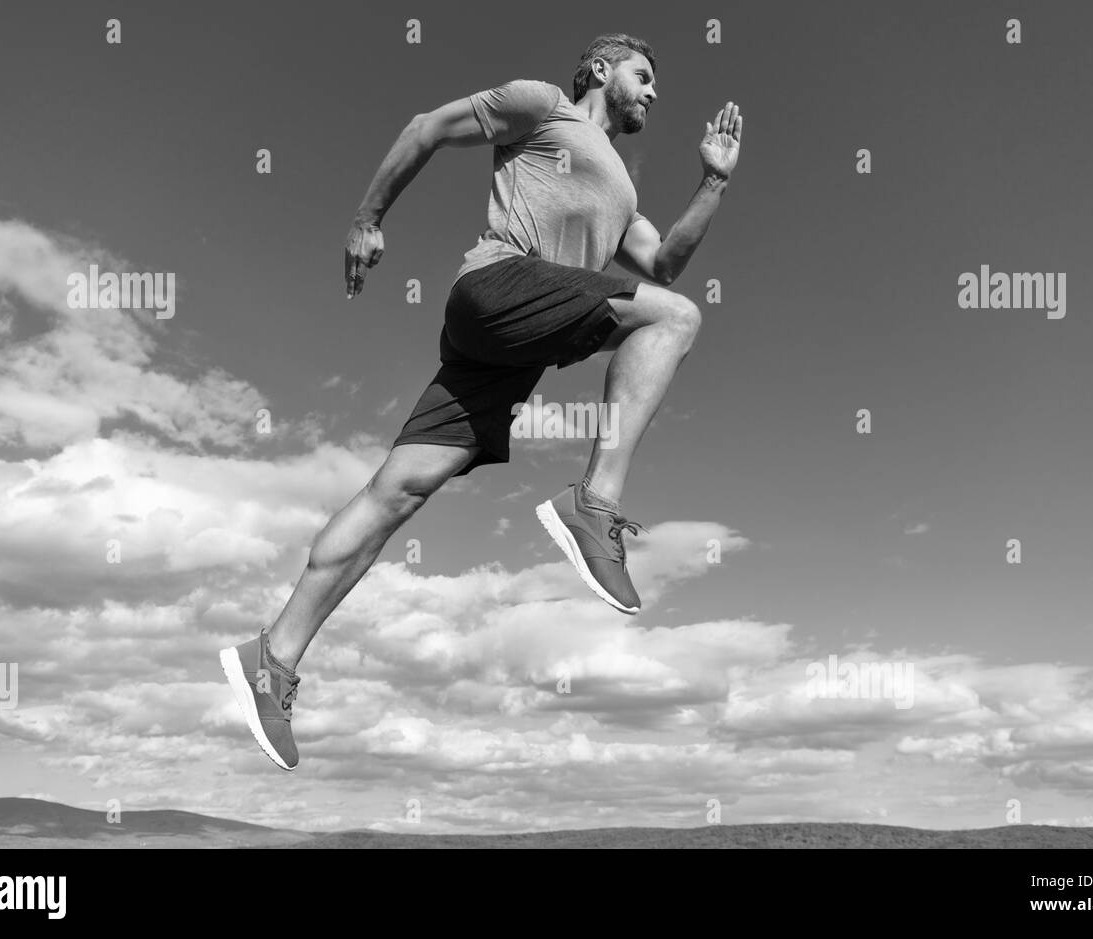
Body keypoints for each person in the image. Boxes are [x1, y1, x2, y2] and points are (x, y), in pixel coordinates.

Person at [221, 33, 742, 770]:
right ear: (600, 70)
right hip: (497, 287)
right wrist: (370, 218)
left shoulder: (623, 197)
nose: (654, 92)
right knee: (675, 318)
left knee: (398, 490)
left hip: (509, 351)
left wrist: (713, 184)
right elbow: (427, 128)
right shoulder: (544, 108)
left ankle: (271, 658)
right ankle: (592, 504)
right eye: (643, 75)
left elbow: (663, 263)